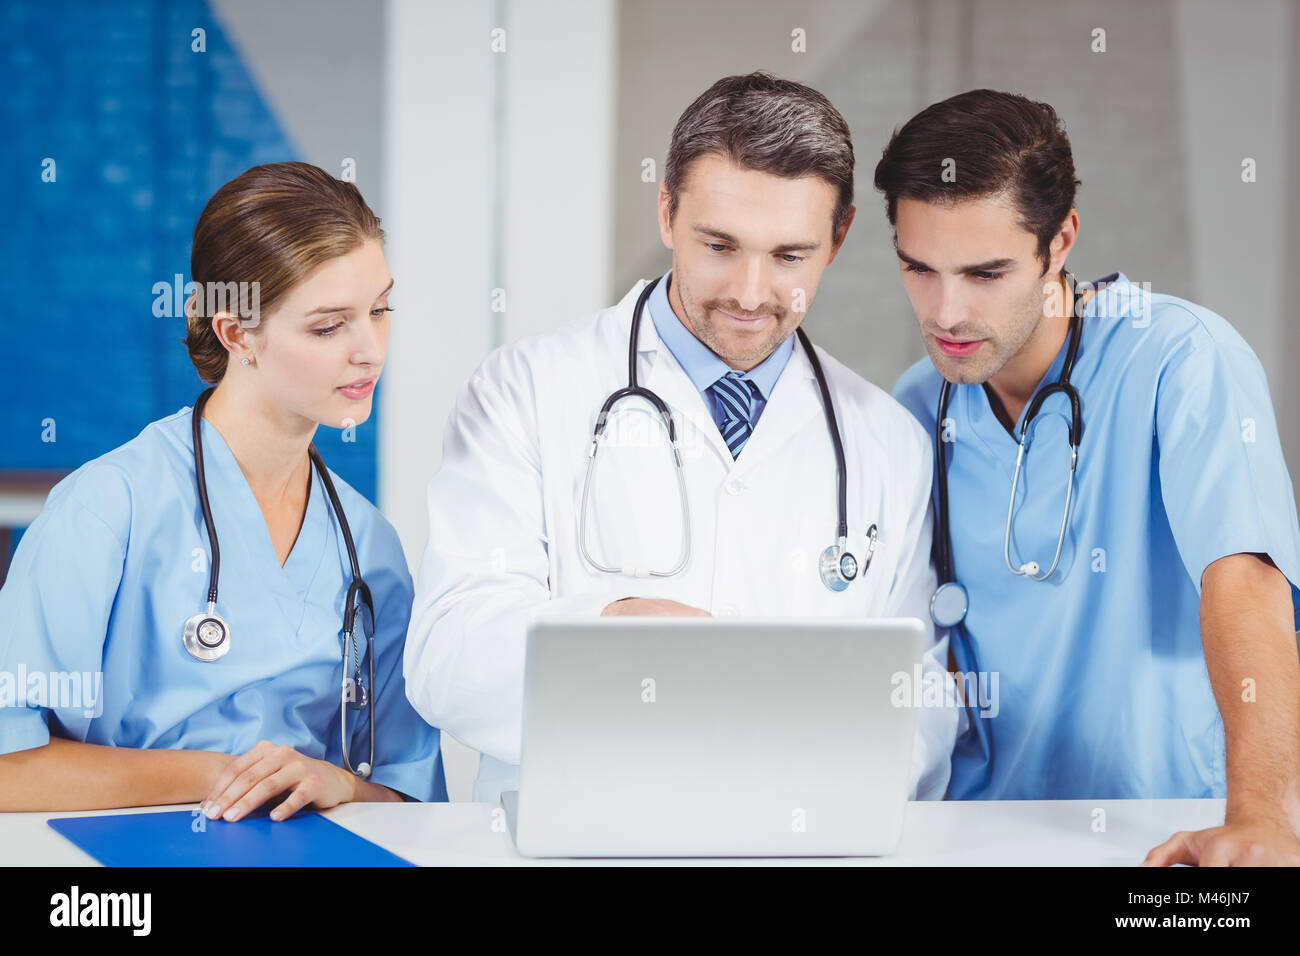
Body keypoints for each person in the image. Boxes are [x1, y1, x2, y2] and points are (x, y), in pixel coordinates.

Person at [405, 72, 957, 804]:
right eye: (720, 245)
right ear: (666, 212)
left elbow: (916, 699)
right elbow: (447, 658)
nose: (752, 293)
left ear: (840, 236)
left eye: (790, 256)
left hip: (797, 845)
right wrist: (617, 630)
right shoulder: (524, 390)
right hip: (583, 845)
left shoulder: (886, 442)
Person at [877, 90, 1300, 864]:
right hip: (969, 834)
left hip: (1166, 831)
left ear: (1060, 239)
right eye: (918, 268)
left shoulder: (1179, 358)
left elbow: (1245, 577)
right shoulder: (915, 405)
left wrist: (1265, 817)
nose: (947, 312)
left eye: (986, 272)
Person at [0, 161, 446, 818]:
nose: (370, 350)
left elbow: (410, 795)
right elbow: (11, 768)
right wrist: (220, 774)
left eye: (379, 310)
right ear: (237, 333)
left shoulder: (368, 546)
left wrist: (341, 784)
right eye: (328, 326)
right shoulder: (105, 511)